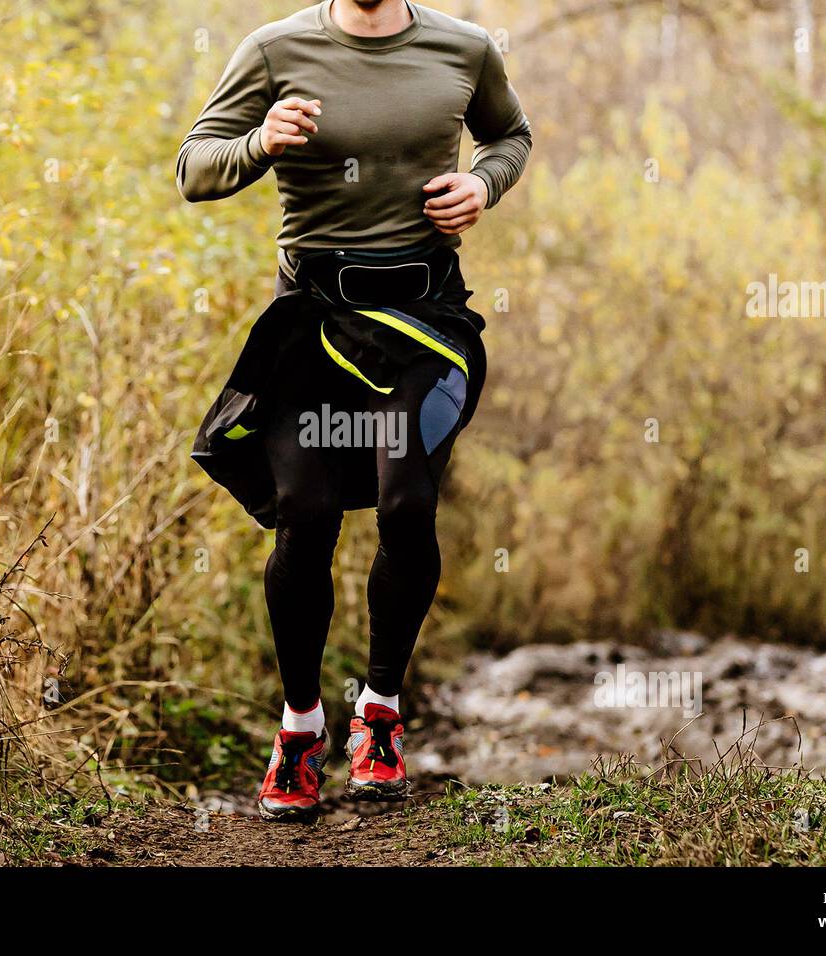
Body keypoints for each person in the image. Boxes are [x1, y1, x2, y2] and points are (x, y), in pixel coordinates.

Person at [177, 0, 530, 821]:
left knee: (407, 504)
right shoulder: (274, 50)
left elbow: (511, 138)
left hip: (423, 323)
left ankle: (379, 715)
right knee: (307, 514)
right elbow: (195, 168)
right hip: (312, 326)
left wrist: (482, 183)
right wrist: (262, 142)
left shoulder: (465, 48)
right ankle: (300, 728)